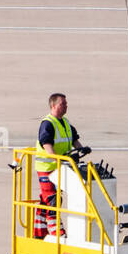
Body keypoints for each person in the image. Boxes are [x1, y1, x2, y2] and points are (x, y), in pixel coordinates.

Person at [34, 93, 88, 238]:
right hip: (47, 169)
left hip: (61, 167)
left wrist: (81, 149)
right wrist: (58, 158)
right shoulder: (47, 124)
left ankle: (39, 233)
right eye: (62, 104)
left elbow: (74, 139)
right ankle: (59, 234)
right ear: (53, 106)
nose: (66, 106)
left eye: (66, 103)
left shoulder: (65, 123)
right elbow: (47, 146)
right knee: (53, 200)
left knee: (46, 200)